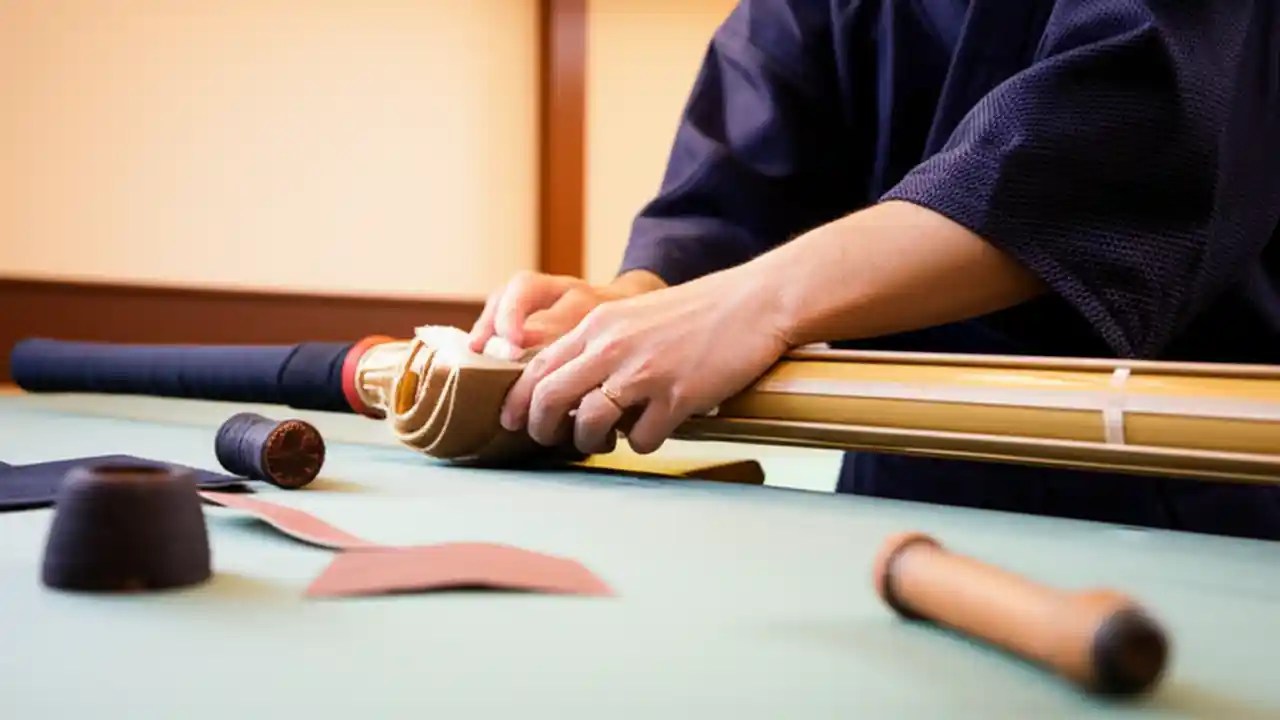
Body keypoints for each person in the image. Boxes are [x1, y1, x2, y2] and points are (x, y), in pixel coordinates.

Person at [469, 0, 1280, 539]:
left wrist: (754, 304)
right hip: (894, 490)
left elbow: (1099, 145)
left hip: (1172, 488)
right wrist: (628, 301)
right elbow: (739, 191)